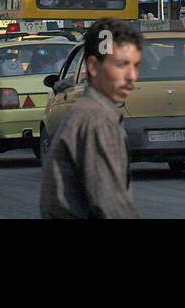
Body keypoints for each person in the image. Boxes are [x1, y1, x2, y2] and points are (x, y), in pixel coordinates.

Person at [40, 18, 143, 219]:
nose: (131, 75)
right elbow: (111, 206)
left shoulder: (90, 112)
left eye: (136, 65)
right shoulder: (97, 120)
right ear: (94, 67)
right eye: (121, 65)